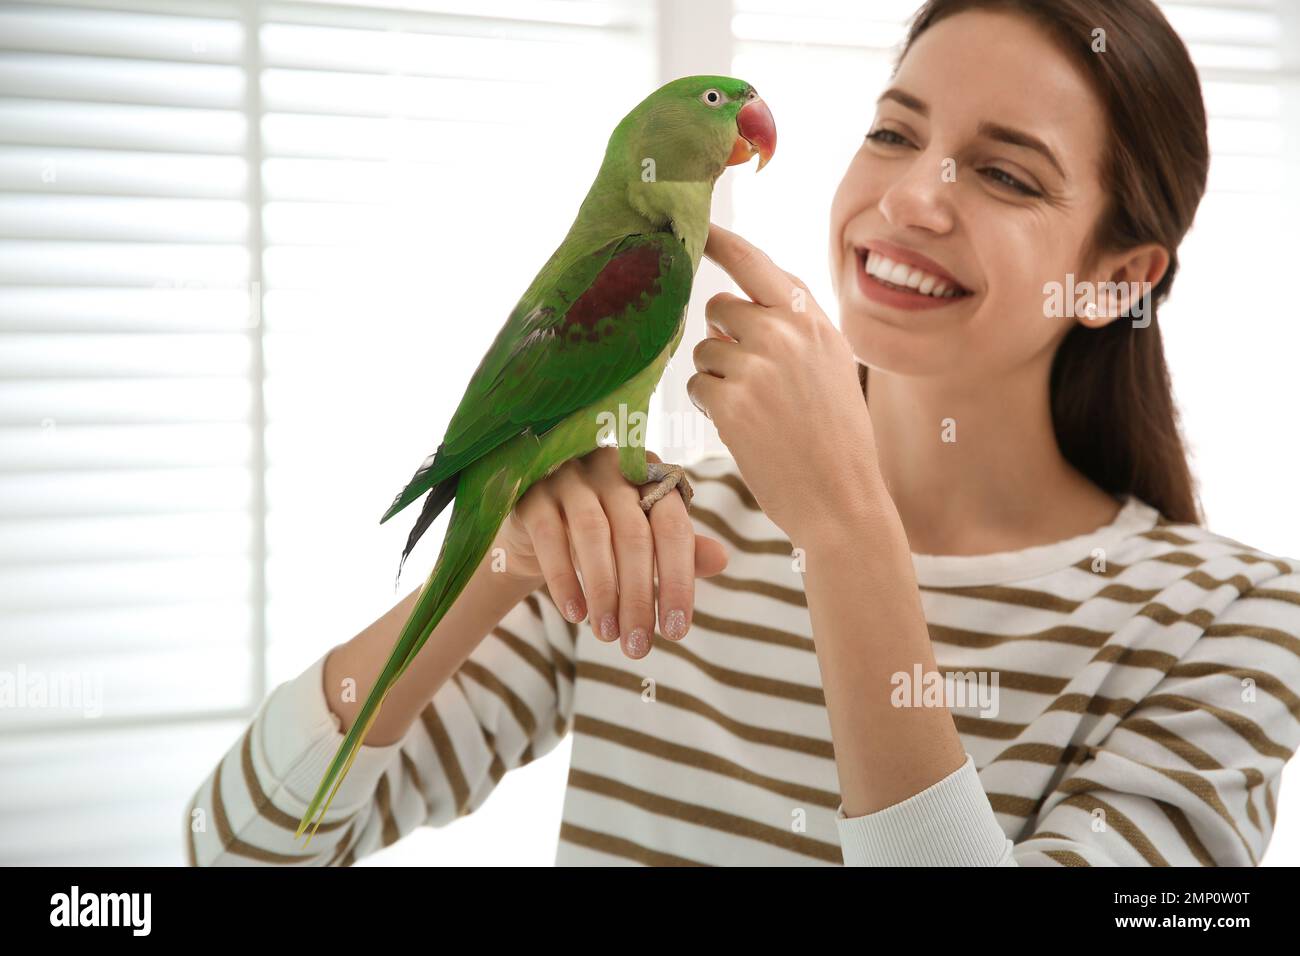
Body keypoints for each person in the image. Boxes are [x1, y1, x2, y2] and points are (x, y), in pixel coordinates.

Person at [186, 0, 1300, 866]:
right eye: (891, 131)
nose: (913, 198)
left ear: (1118, 280)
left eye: (1005, 174)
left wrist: (848, 534)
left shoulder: (1236, 624)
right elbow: (232, 844)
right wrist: (502, 563)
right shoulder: (646, 535)